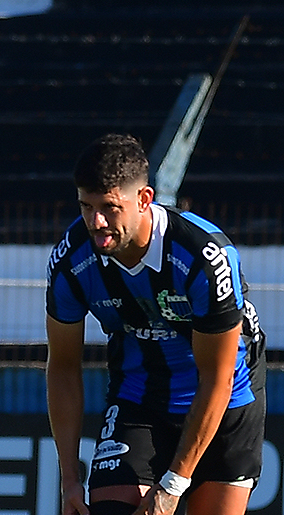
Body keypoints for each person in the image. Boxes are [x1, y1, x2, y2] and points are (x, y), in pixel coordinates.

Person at [45, 133, 266, 515]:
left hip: (224, 403)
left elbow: (219, 377)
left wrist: (172, 486)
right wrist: (68, 479)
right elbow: (63, 367)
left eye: (110, 208)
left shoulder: (203, 257)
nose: (96, 222)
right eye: (86, 206)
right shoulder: (71, 262)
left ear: (145, 199)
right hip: (139, 399)